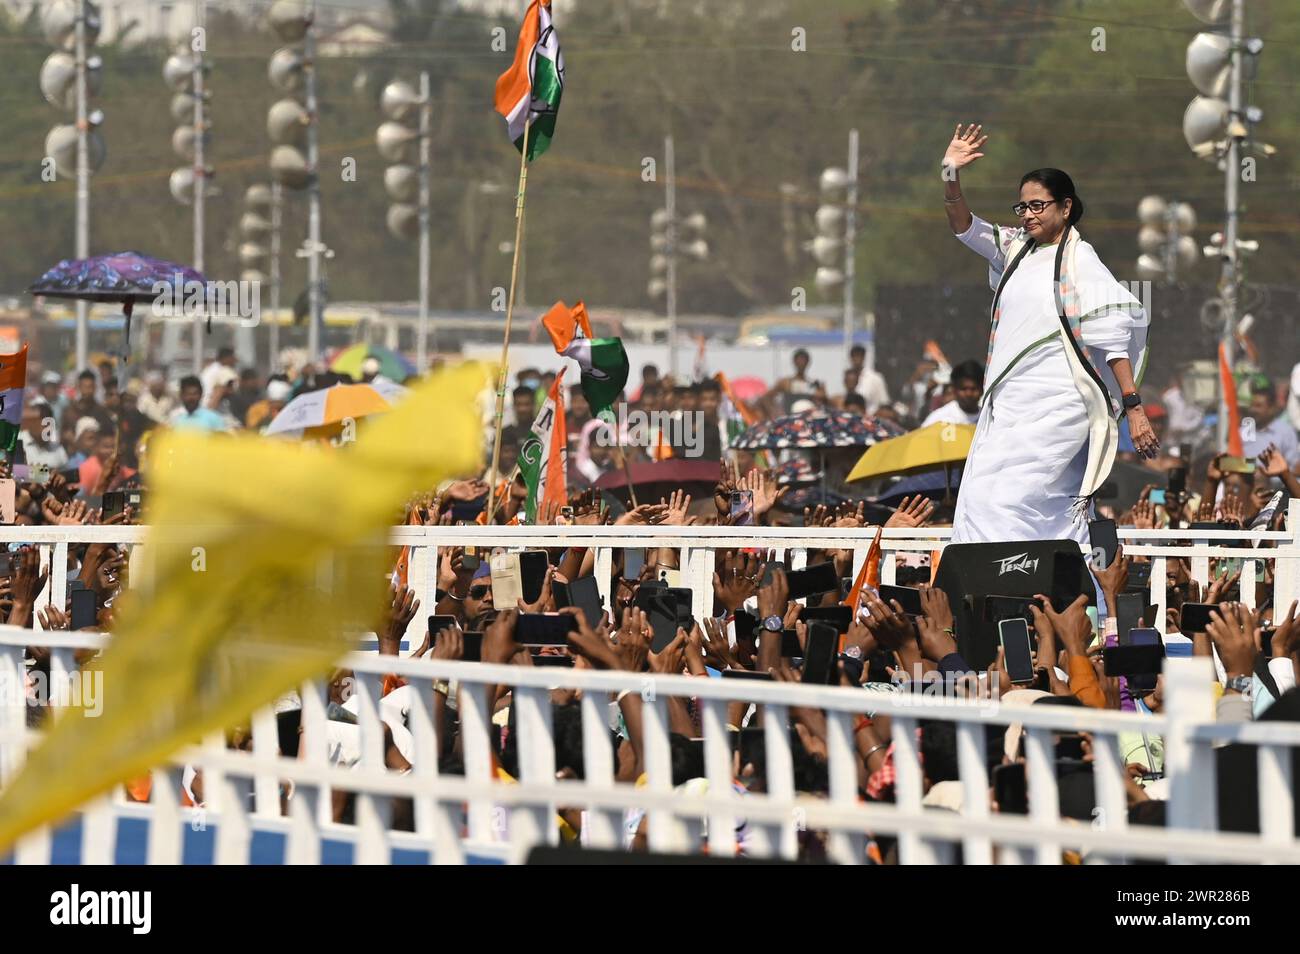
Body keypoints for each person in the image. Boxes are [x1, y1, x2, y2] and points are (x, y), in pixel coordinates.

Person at [942, 124, 1154, 546]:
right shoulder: (1014, 249)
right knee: (983, 496)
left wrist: (1134, 408)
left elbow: (1113, 338)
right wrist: (950, 172)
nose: (1028, 215)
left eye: (1038, 205)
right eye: (1022, 208)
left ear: (1066, 206)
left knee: (1021, 499)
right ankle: (997, 591)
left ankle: (1060, 590)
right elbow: (964, 226)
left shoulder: (1081, 260)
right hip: (1009, 405)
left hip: (1059, 405)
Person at [1240, 377, 1299, 468]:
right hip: (1246, 481)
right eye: (1252, 405)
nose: (1253, 410)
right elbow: (1230, 462)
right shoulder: (1241, 432)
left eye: (1258, 406)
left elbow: (1294, 466)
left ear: (1271, 408)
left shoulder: (1286, 432)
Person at [922, 360, 984, 427]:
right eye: (963, 389)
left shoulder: (988, 419)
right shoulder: (938, 419)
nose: (969, 393)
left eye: (973, 389)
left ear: (982, 390)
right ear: (954, 390)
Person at [848, 343, 890, 413]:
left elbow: (884, 402)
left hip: (871, 419)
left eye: (858, 356)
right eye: (854, 356)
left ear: (863, 357)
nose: (856, 359)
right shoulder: (849, 378)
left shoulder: (875, 378)